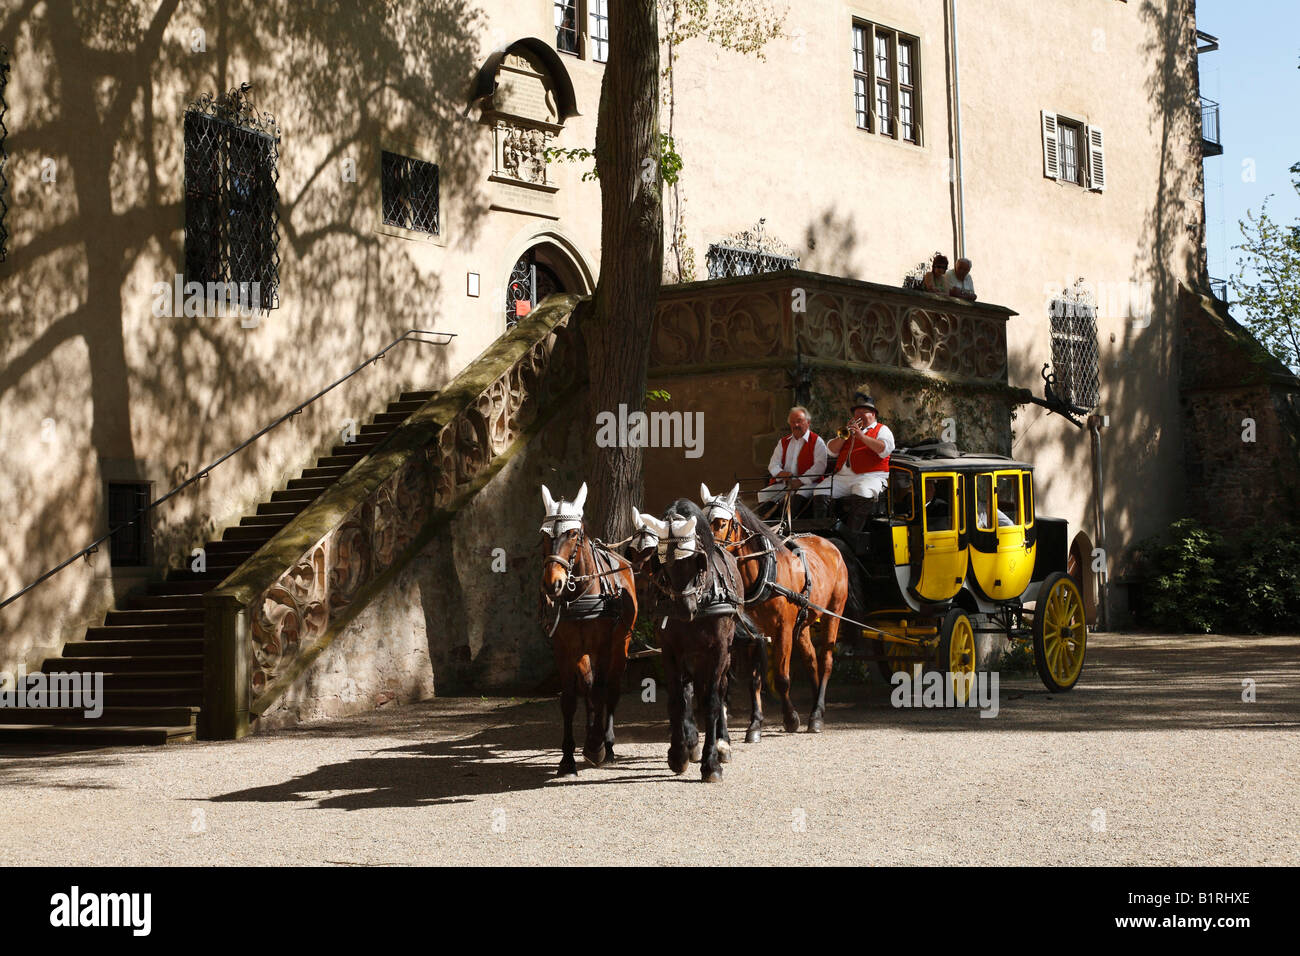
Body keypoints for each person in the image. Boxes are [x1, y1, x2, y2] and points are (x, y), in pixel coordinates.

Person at [813, 392, 895, 530]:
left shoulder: (882, 429)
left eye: (864, 411)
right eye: (857, 412)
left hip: (870, 476)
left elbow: (884, 450)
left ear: (873, 414)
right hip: (843, 477)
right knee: (820, 490)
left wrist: (861, 436)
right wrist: (844, 437)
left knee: (862, 489)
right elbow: (831, 451)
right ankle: (822, 532)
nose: (859, 414)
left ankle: (852, 535)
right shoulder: (848, 432)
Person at [758, 406, 828, 517]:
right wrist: (782, 474)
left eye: (799, 421)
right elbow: (773, 464)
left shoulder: (817, 441)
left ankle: (790, 528)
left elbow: (820, 466)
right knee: (763, 494)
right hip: (786, 484)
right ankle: (768, 527)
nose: (796, 425)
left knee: (798, 495)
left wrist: (800, 481)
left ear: (808, 422)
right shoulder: (783, 442)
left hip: (809, 484)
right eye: (793, 422)